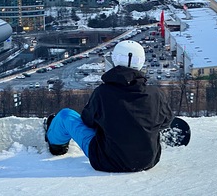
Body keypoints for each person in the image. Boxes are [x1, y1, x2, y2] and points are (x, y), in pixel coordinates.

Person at [45, 40, 173, 172]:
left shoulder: (103, 92)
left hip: (105, 161)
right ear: (141, 62)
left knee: (66, 115)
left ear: (115, 59)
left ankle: (57, 146)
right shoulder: (155, 94)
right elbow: (166, 121)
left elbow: (87, 120)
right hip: (147, 161)